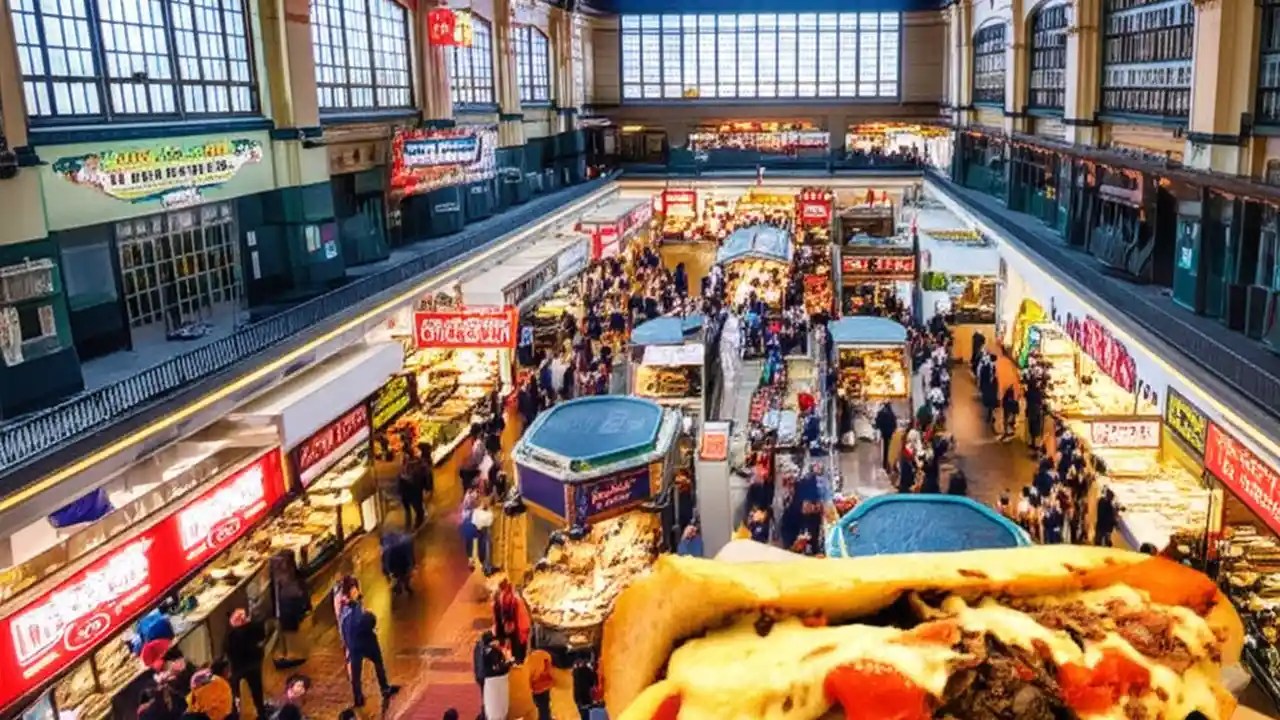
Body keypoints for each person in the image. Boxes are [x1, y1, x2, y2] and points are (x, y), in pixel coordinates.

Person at [337, 578, 400, 708]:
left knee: (373, 664)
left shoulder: (354, 603)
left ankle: (382, 689)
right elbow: (346, 626)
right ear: (348, 591)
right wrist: (347, 644)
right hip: (359, 642)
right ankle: (361, 696)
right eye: (353, 589)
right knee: (357, 671)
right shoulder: (348, 607)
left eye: (356, 588)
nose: (356, 591)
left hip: (360, 641)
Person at [224, 608, 268, 718]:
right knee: (256, 690)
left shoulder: (230, 636)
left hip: (239, 668)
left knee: (235, 694)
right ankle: (261, 712)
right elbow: (262, 634)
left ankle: (236, 714)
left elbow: (227, 650)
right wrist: (248, 624)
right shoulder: (252, 628)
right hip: (253, 664)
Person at [492, 579, 530, 663]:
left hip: (517, 633)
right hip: (517, 633)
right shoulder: (512, 600)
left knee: (517, 656)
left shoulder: (511, 601)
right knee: (518, 657)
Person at [482, 632, 514, 720]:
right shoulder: (492, 650)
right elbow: (498, 667)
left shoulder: (484, 650)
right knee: (498, 706)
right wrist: (509, 663)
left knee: (493, 707)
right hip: (497, 682)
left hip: (490, 681)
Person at [526, 648, 554, 720]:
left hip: (536, 688)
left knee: (541, 707)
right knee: (545, 706)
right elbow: (549, 669)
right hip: (546, 685)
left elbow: (528, 675)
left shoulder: (529, 659)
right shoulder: (546, 655)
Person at [572, 653, 599, 720]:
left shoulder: (575, 671)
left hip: (578, 698)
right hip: (586, 698)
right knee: (588, 715)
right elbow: (592, 682)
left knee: (584, 715)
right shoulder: (586, 671)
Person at [874, 402, 897, 471]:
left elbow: (877, 422)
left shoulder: (881, 413)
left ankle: (885, 463)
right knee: (890, 448)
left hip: (884, 433)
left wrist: (880, 428)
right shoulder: (891, 413)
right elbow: (894, 424)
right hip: (890, 433)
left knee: (885, 448)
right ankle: (890, 463)